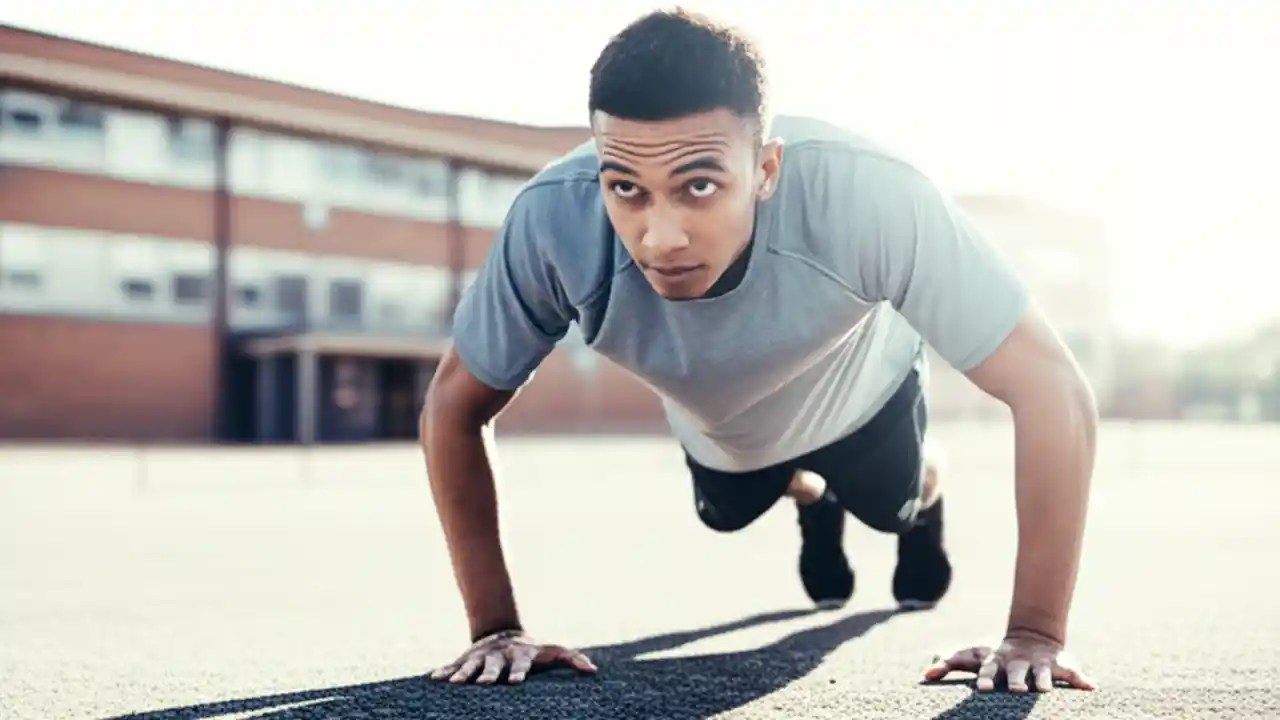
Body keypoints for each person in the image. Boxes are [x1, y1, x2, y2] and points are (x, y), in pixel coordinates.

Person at [422, 8, 1097, 695]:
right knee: (725, 516)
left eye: (699, 186)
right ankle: (808, 494)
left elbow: (1053, 389)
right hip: (727, 430)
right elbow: (454, 404)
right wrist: (495, 627)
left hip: (860, 395)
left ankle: (926, 490)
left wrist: (1036, 631)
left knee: (894, 504)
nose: (660, 239)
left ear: (766, 168)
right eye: (625, 187)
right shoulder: (551, 223)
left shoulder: (870, 195)